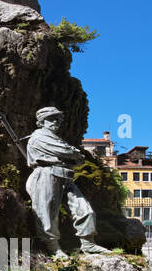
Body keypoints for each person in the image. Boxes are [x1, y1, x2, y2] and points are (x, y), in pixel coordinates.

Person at [26, 106, 111, 256]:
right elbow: (68, 152)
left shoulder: (54, 138)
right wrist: (73, 154)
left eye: (58, 119)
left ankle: (88, 243)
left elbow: (73, 155)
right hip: (45, 175)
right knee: (47, 212)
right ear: (42, 121)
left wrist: (73, 155)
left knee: (84, 208)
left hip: (64, 175)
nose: (56, 122)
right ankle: (53, 248)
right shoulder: (39, 137)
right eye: (51, 119)